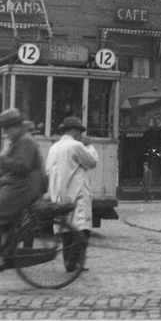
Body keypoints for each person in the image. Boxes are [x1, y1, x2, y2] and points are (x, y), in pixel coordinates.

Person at [0, 108, 48, 272]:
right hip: (17, 186)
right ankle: (6, 252)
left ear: (16, 127)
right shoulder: (19, 141)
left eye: (7, 130)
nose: (6, 133)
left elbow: (22, 167)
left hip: (23, 188)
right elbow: (11, 170)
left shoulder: (26, 141)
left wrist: (1, 158)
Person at [46, 116, 98, 272]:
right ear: (75, 131)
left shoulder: (54, 147)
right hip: (77, 194)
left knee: (66, 229)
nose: (80, 135)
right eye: (79, 132)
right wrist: (89, 146)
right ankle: (73, 261)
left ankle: (69, 261)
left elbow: (48, 170)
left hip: (58, 195)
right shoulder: (76, 146)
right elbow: (92, 161)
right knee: (82, 229)